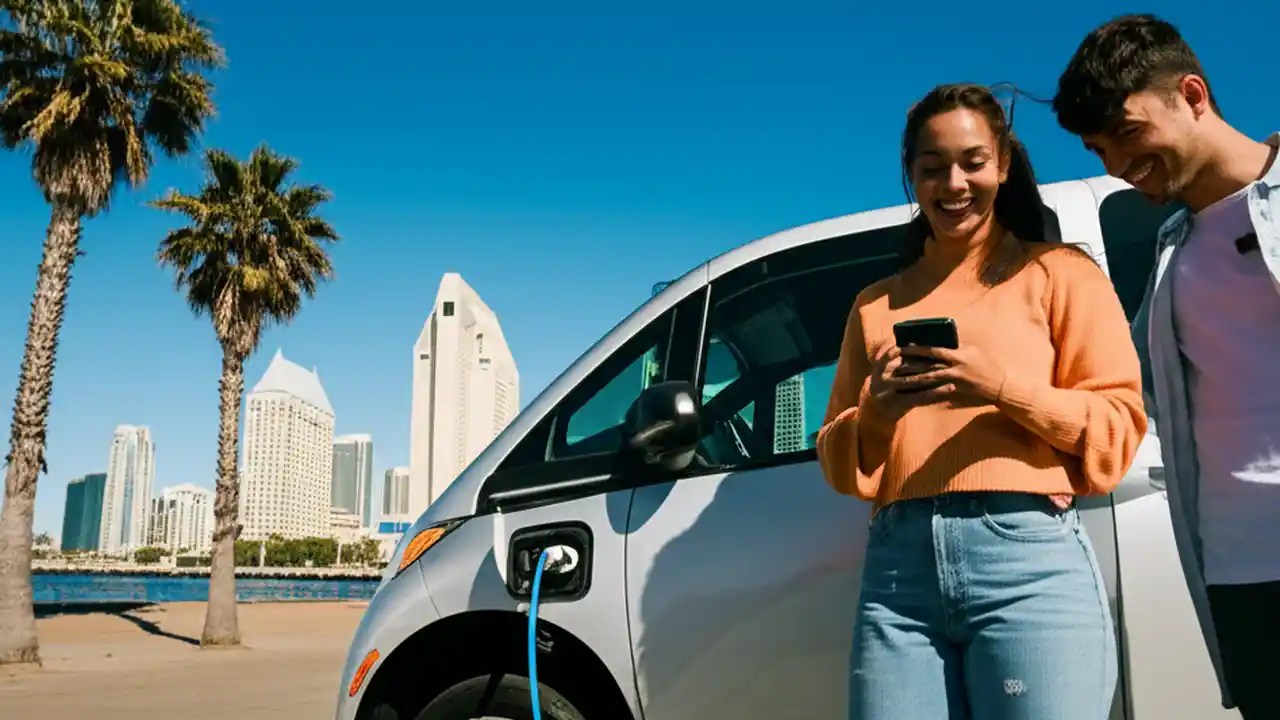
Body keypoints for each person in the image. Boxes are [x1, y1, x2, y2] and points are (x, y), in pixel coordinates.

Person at [816, 82, 1146, 720]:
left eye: (972, 162)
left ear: (1002, 165)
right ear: (911, 174)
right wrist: (877, 411)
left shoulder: (1059, 275)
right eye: (931, 168)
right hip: (897, 574)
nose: (953, 184)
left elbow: (1118, 428)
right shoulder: (875, 304)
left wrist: (999, 386)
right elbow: (834, 454)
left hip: (1027, 563)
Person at [1052, 14, 1280, 719]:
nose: (1116, 164)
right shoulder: (1171, 254)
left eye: (1125, 132)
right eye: (1099, 150)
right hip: (1236, 575)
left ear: (1191, 94)